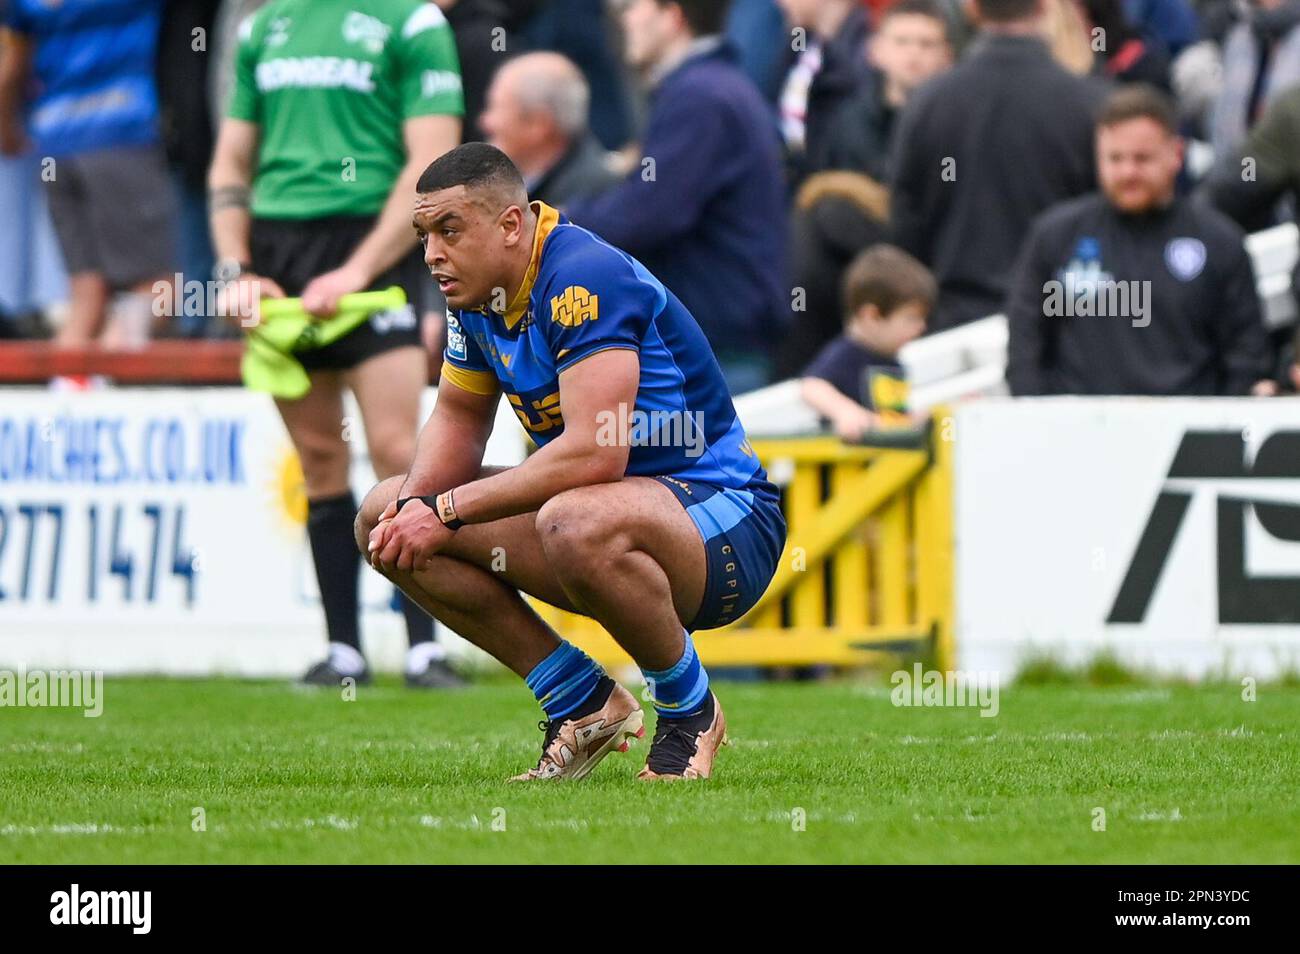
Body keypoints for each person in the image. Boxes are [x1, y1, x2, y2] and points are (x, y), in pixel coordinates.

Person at [357, 143, 787, 781]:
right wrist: (415, 507)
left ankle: (689, 710)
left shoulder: (583, 275)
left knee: (574, 519)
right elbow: (458, 417)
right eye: (423, 236)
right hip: (603, 517)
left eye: (450, 230)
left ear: (510, 225)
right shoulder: (475, 295)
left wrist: (443, 511)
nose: (432, 255)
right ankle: (581, 703)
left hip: (725, 523)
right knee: (378, 514)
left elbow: (594, 453)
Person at [208, 0, 464, 687]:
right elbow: (231, 161)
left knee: (396, 448)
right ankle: (343, 651)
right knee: (320, 459)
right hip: (280, 250)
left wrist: (359, 269)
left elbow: (431, 164)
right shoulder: (265, 26)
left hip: (375, 246)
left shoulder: (412, 22)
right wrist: (235, 271)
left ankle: (424, 648)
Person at [565, 0, 789, 394]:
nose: (625, 19)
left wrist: (560, 223)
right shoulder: (711, 87)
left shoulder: (700, 96)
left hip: (717, 350)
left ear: (673, 16)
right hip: (718, 343)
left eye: (635, 7)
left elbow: (647, 213)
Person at [1006, 85, 1273, 395]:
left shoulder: (1219, 243)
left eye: (1142, 158)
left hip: (1186, 433)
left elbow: (1246, 356)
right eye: (1114, 159)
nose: (1127, 172)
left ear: (1176, 154)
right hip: (1079, 432)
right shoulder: (1055, 238)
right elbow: (1025, 347)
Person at [889, 0, 1105, 332]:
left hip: (953, 323)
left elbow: (905, 227)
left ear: (971, 9)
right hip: (1061, 324)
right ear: (1044, 7)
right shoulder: (1087, 105)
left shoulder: (926, 105)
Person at [0, 0, 177, 351]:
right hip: (122, 134)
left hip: (53, 143)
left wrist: (6, 126)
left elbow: (12, 62)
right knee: (162, 288)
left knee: (86, 291)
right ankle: (106, 387)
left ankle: (62, 396)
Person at [801, 245, 933, 441]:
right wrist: (845, 413)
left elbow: (889, 418)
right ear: (871, 316)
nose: (921, 327)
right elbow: (811, 386)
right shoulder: (847, 354)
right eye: (911, 318)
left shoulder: (891, 361)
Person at [479, 52, 621, 207]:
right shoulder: (520, 186)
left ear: (537, 125)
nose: (485, 122)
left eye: (497, 108)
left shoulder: (586, 206)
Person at [774, 0, 873, 181]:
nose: (781, 3)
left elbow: (850, 88)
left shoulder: (864, 39)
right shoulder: (802, 36)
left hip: (836, 176)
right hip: (796, 175)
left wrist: (829, 43)